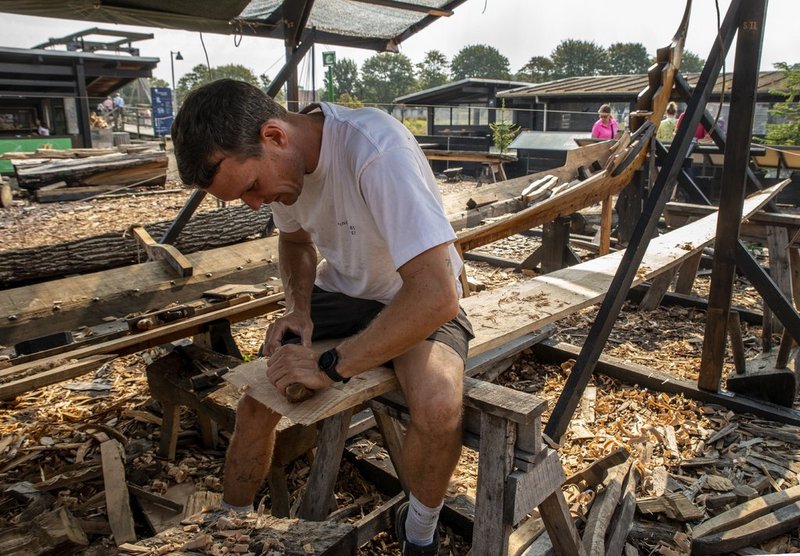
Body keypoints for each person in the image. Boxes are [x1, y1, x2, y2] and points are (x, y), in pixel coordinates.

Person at [172, 79, 474, 556]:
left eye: (251, 187)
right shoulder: (285, 171)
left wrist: (331, 365)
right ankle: (229, 532)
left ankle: (419, 531)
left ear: (275, 135)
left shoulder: (376, 151)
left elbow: (436, 295)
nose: (256, 204)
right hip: (344, 290)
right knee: (258, 398)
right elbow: (294, 242)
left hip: (413, 292)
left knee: (437, 405)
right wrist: (298, 309)